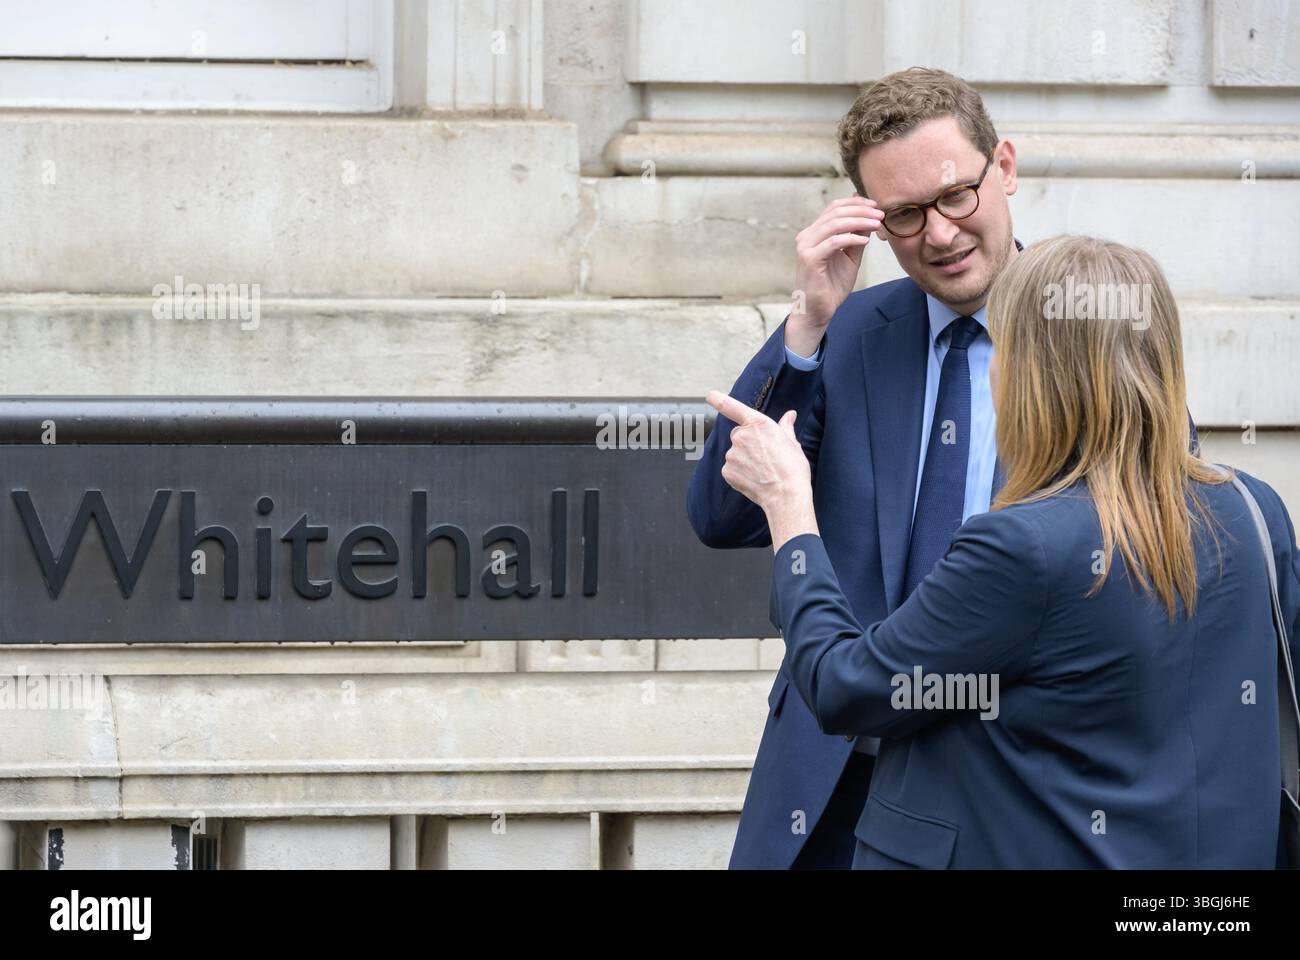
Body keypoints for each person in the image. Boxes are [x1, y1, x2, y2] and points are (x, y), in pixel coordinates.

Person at [706, 235, 1300, 868]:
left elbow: (842, 685)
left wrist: (791, 510)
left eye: (1003, 346)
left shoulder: (1022, 546)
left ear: (1028, 371)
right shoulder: (1254, 508)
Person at [688, 66, 1025, 868]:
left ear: (1004, 166)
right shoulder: (855, 327)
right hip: (835, 782)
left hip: (1005, 786)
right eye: (905, 215)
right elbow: (721, 514)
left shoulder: (1093, 331)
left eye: (955, 196)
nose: (938, 234)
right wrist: (805, 326)